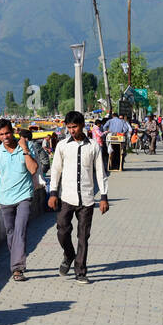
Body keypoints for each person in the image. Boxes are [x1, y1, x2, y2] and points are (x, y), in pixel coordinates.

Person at [48, 111, 110, 284]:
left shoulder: (93, 147)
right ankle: (69, 255)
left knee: (83, 236)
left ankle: (80, 271)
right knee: (62, 230)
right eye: (69, 128)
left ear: (82, 125)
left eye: (74, 127)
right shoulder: (62, 146)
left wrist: (104, 196)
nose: (72, 131)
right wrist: (53, 193)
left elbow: (100, 172)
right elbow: (56, 171)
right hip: (66, 197)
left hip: (87, 198)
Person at [0, 118, 40, 281]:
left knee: (20, 230)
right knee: (10, 232)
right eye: (2, 134)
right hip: (5, 197)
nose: (6, 137)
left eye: (8, 133)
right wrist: (5, 184)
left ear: (13, 131)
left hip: (24, 195)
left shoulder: (27, 147)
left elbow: (33, 169)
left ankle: (17, 268)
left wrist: (24, 149)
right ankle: (16, 260)